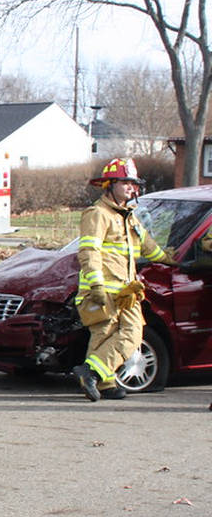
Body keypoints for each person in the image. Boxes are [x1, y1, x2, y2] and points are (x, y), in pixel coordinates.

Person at [72, 157, 176, 402]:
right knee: (106, 334)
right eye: (126, 182)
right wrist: (96, 283)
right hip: (102, 289)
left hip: (125, 291)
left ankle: (94, 374)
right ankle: (102, 380)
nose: (132, 188)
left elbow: (149, 247)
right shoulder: (97, 214)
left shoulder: (128, 216)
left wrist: (172, 258)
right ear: (109, 184)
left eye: (133, 183)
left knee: (132, 333)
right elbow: (89, 251)